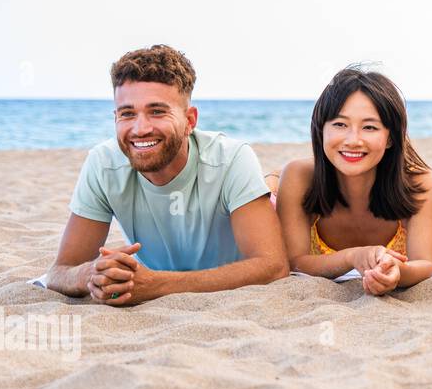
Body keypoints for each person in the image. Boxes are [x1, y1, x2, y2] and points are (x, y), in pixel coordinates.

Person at [45, 44, 288, 305]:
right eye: (127, 114)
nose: (140, 129)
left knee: (277, 193)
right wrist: (90, 274)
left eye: (157, 111)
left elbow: (273, 266)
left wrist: (157, 284)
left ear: (190, 121)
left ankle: (272, 181)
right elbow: (59, 272)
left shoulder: (232, 158)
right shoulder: (103, 164)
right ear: (115, 117)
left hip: (248, 237)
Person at [273, 68, 432, 295]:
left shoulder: (419, 184)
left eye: (369, 127)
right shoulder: (298, 177)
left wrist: (398, 271)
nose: (353, 140)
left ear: (390, 137)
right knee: (272, 186)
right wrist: (354, 256)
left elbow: (426, 265)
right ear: (321, 129)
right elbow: (295, 261)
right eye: (340, 124)